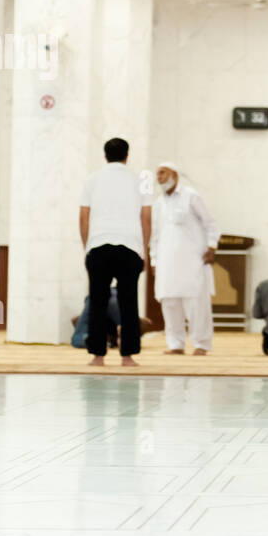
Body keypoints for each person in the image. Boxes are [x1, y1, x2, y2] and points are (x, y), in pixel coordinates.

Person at [79, 137, 152, 367]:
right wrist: (145, 249)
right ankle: (127, 356)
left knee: (98, 301)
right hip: (130, 247)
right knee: (128, 301)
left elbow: (84, 216)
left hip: (98, 245)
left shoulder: (92, 179)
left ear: (105, 156)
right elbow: (146, 217)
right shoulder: (141, 181)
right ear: (127, 156)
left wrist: (87, 246)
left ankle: (98, 356)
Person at [151, 162, 219, 355]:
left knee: (196, 303)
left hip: (192, 261)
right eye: (158, 174)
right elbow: (155, 236)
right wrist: (155, 260)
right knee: (170, 302)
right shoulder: (158, 203)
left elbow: (210, 223)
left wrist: (212, 246)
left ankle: (201, 344)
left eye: (163, 173)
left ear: (174, 174)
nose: (159, 177)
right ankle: (175, 344)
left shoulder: (191, 196)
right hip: (166, 263)